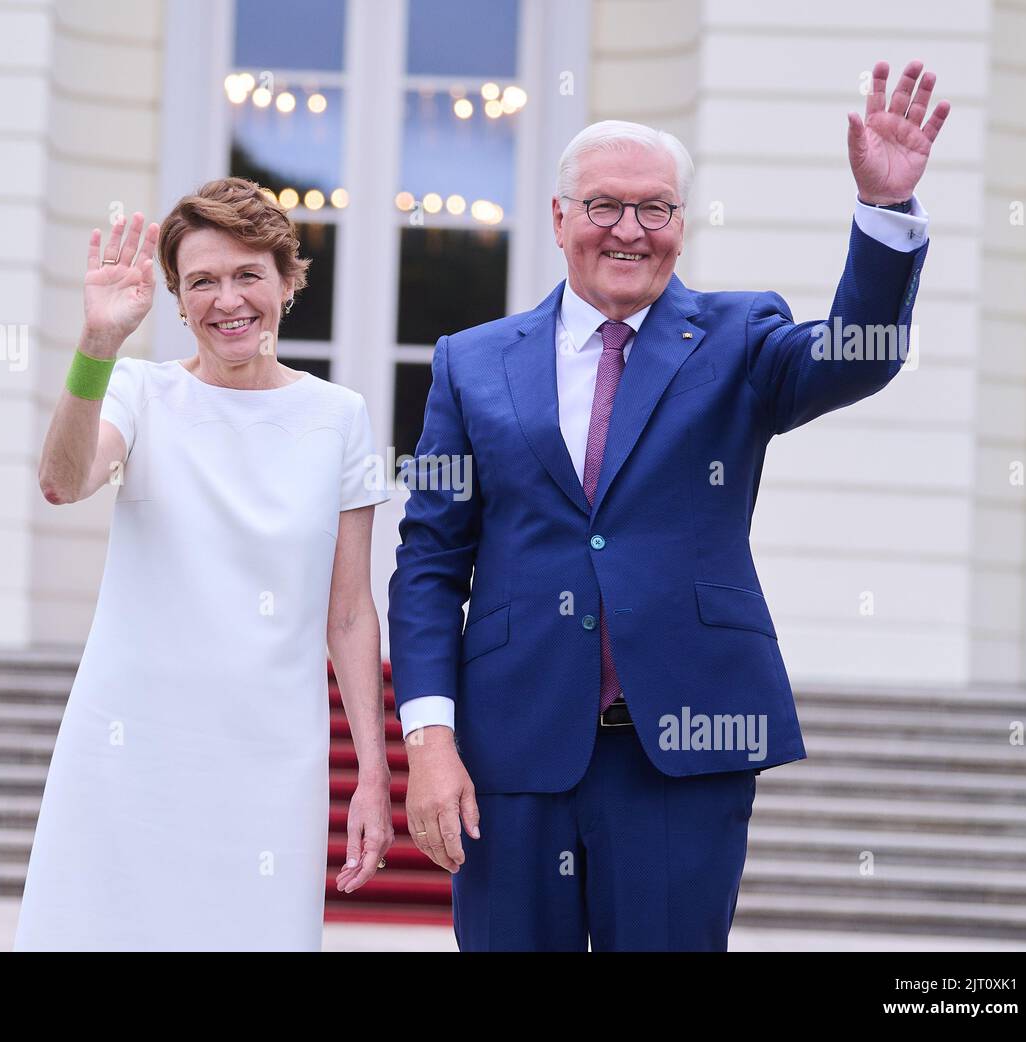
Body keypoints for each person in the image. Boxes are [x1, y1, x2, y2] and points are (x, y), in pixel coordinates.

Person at [388, 60, 948, 950]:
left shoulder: (738, 337)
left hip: (684, 748)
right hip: (513, 754)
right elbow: (427, 564)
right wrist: (427, 740)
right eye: (605, 205)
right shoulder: (471, 361)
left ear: (681, 225)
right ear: (562, 216)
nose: (630, 230)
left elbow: (857, 355)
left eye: (655, 208)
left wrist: (882, 216)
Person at [14, 177, 394, 951]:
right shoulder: (139, 393)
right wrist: (96, 346)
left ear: (288, 282)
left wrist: (374, 774)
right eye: (202, 282)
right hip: (130, 745)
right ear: (178, 302)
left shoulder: (339, 417)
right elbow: (61, 481)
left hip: (269, 757)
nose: (228, 300)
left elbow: (349, 610)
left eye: (248, 274)